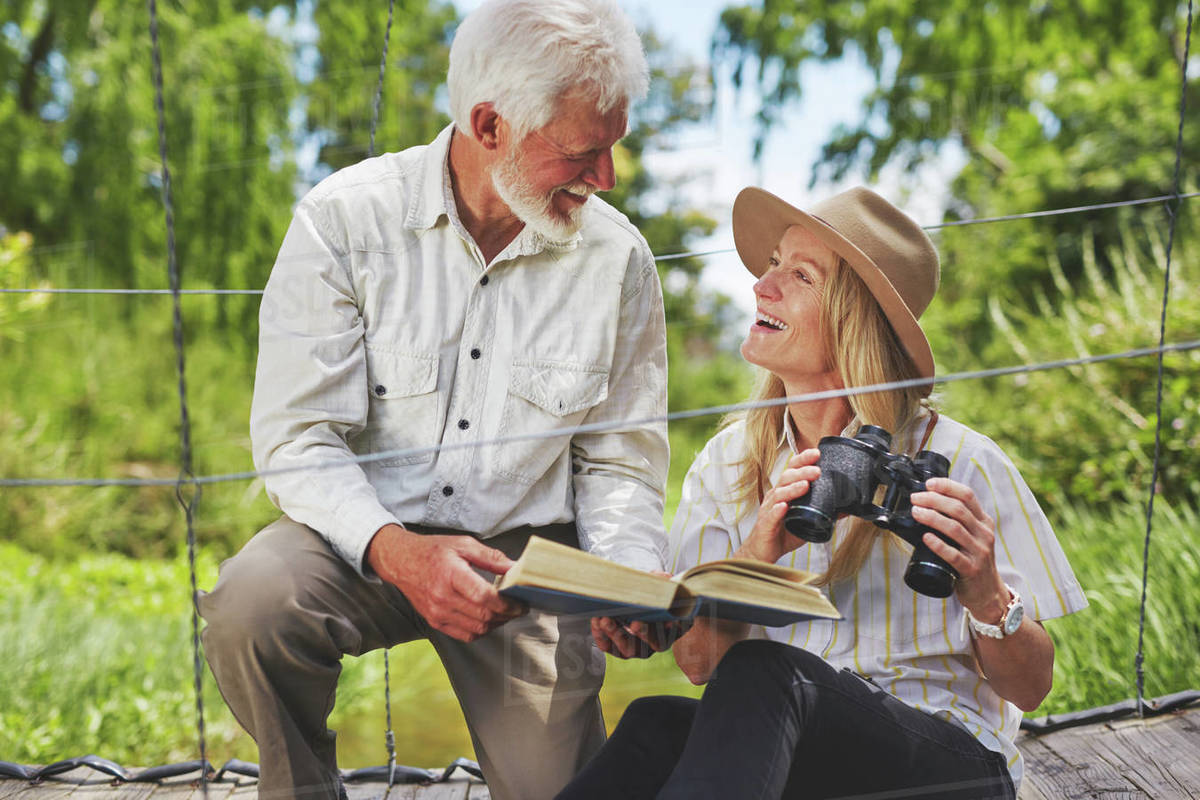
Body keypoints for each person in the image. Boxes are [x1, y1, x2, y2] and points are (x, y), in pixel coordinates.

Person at [197, 2, 672, 798]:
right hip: (361, 542)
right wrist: (398, 552)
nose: (607, 178)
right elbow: (298, 439)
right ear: (489, 126)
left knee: (563, 792)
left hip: (526, 567)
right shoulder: (342, 221)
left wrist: (626, 579)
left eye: (612, 146)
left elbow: (619, 463)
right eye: (582, 152)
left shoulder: (619, 260)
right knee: (253, 603)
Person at [557, 186, 1089, 800]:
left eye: (800, 275)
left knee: (768, 672)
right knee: (654, 723)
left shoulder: (965, 460)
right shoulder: (728, 463)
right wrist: (756, 558)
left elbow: (1031, 689)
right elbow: (699, 665)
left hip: (952, 766)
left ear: (852, 320)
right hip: (803, 739)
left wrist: (987, 594)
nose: (762, 285)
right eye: (772, 263)